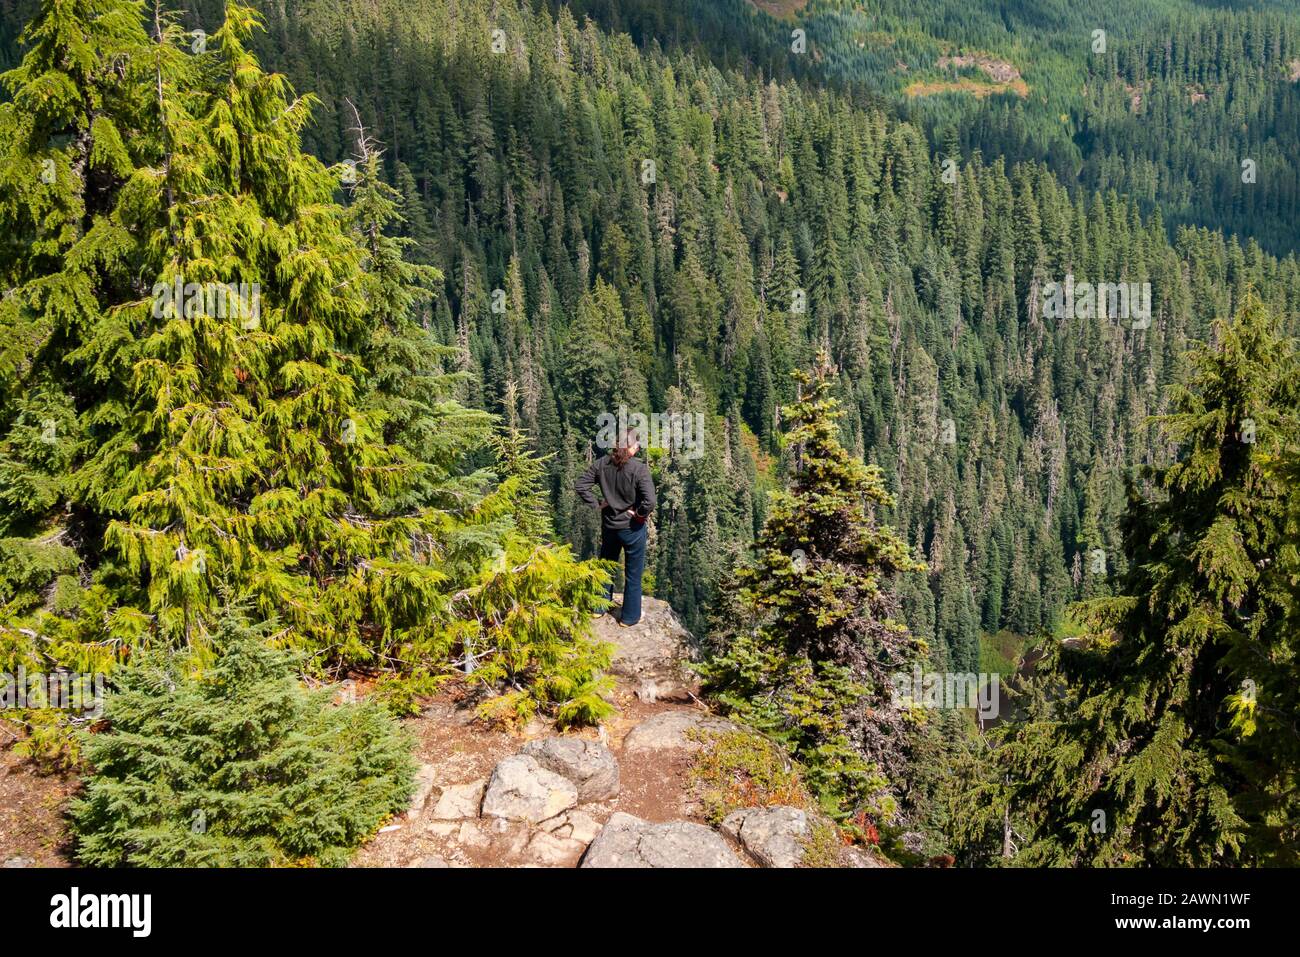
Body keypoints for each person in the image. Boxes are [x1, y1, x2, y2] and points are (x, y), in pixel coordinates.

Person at [574, 428, 656, 626]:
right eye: (637, 445)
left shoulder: (602, 464)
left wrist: (597, 504)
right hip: (631, 527)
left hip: (610, 525)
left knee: (606, 565)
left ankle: (599, 608)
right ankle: (628, 618)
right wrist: (639, 515)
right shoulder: (638, 469)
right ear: (631, 447)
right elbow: (650, 500)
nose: (638, 448)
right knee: (633, 573)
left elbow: (580, 485)